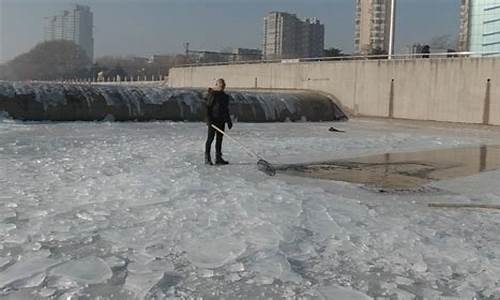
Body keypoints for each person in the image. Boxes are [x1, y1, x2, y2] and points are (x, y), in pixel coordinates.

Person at [205, 78, 233, 165]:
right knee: (210, 139)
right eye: (220, 85)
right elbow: (208, 107)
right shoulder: (212, 94)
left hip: (221, 120)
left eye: (223, 85)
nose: (222, 87)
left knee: (219, 139)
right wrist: (208, 120)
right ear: (216, 85)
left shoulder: (225, 96)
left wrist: (228, 121)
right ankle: (207, 158)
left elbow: (226, 109)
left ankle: (218, 158)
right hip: (213, 120)